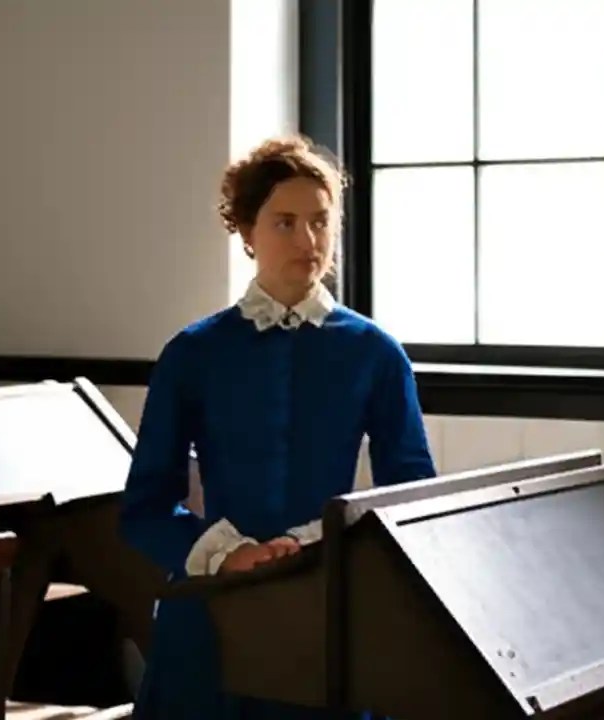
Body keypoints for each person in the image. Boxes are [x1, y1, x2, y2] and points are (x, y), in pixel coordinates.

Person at [119, 135, 436, 719]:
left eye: (321, 221)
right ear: (246, 231)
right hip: (216, 599)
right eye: (285, 222)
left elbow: (411, 499)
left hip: (330, 600)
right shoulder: (193, 353)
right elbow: (144, 506)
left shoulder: (377, 353)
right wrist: (227, 554)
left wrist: (327, 548)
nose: (308, 241)